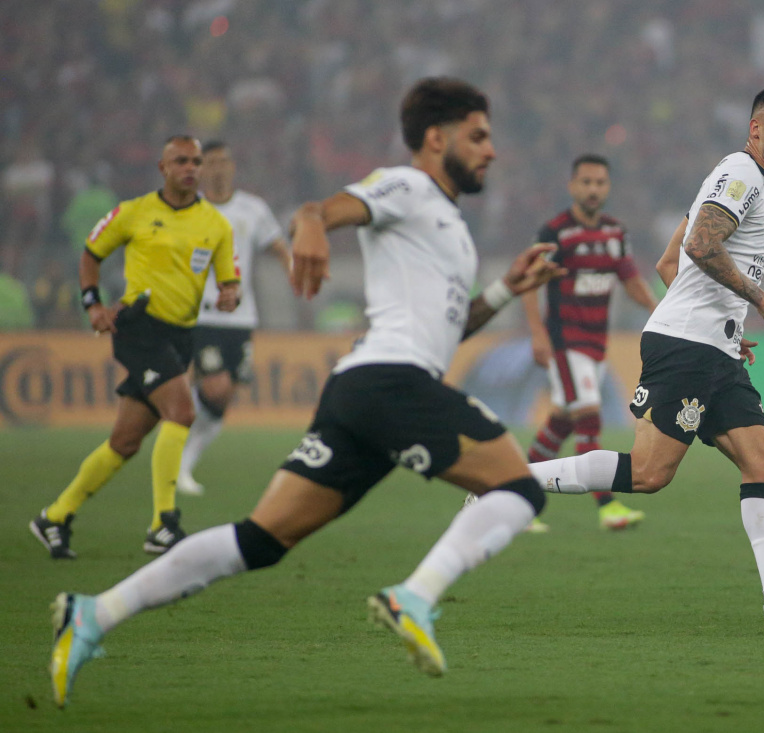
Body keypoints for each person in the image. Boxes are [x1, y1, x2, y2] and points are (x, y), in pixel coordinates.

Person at [46, 77, 562, 708]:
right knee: (519, 488)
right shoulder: (407, 185)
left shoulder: (450, 225)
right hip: (389, 381)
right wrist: (312, 225)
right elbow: (320, 210)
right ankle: (416, 597)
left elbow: (449, 331)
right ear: (436, 137)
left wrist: (507, 289)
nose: (491, 150)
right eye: (478, 136)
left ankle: (94, 613)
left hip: (364, 392)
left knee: (261, 540)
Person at [527, 87, 764, 635]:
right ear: (755, 131)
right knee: (650, 473)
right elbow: (702, 245)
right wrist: (759, 301)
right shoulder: (742, 174)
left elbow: (667, 260)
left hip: (712, 349)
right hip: (688, 349)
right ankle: (509, 480)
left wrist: (726, 326)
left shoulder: (740, 183)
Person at [29, 135, 239, 559]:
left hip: (182, 335)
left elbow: (229, 279)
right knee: (181, 411)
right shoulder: (134, 212)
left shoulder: (216, 224)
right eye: (181, 161)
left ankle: (55, 515)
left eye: (196, 161)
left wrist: (231, 293)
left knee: (124, 442)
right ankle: (164, 523)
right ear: (162, 168)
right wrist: (93, 305)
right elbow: (91, 254)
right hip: (140, 328)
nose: (191, 168)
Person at [522, 154, 658, 532]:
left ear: (608, 187)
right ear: (572, 186)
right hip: (564, 343)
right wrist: (536, 333)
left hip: (597, 345)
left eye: (600, 183)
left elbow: (630, 280)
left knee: (561, 424)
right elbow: (529, 283)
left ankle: (510, 497)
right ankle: (607, 506)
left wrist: (659, 310)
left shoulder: (615, 233)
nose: (593, 189)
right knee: (589, 415)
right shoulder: (556, 233)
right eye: (586, 182)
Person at [176, 140, 292, 497]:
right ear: (200, 170)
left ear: (232, 167)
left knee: (223, 399)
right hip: (204, 314)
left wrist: (296, 271)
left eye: (224, 161)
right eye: (211, 162)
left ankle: (181, 455)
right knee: (216, 386)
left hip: (243, 318)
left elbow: (277, 246)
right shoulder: (190, 210)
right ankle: (178, 458)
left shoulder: (252, 209)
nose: (219, 168)